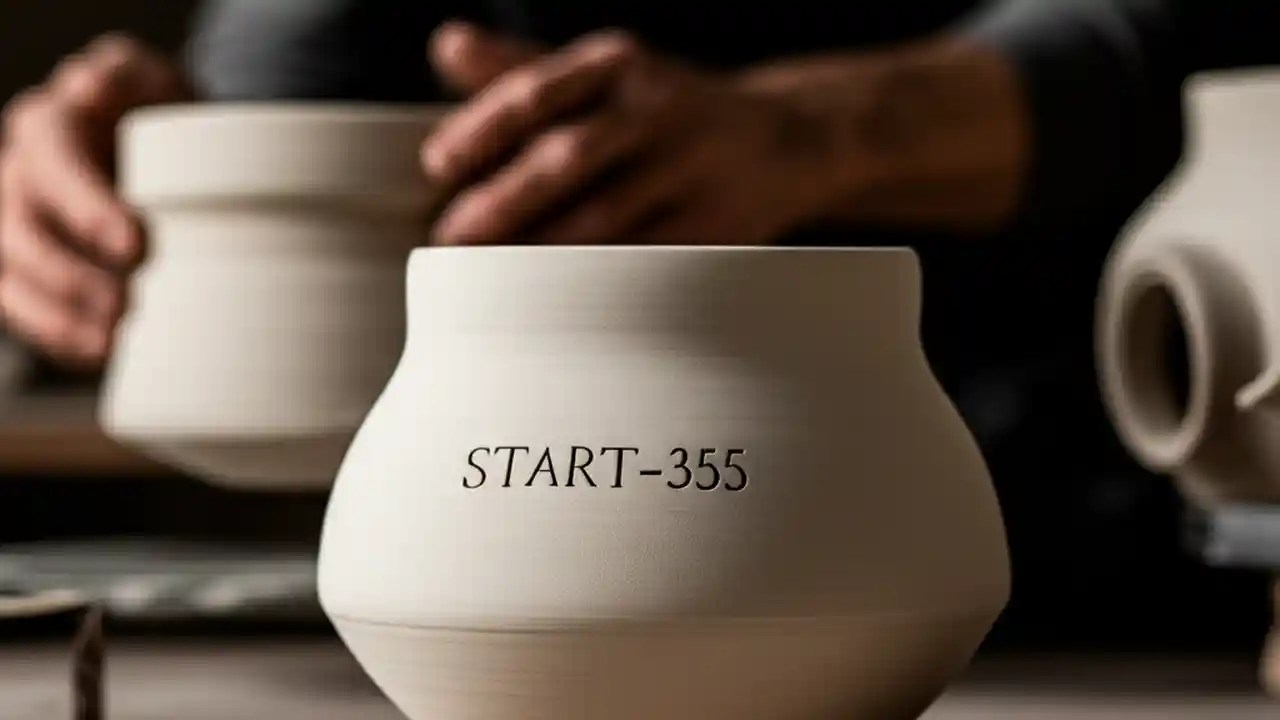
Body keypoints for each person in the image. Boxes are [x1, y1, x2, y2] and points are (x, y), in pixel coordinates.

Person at [1, 0, 1276, 642]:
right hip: (509, 570)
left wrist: (831, 133)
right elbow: (298, 78)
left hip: (1064, 510)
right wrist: (167, 142)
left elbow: (1199, 50)